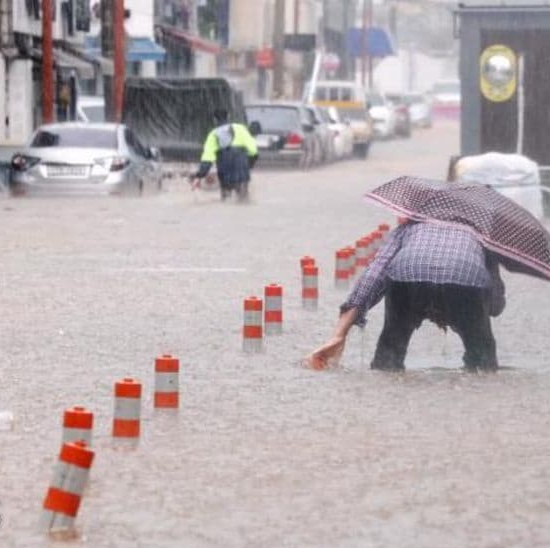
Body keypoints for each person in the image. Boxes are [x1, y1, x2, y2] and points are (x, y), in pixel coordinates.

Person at [306, 220, 506, 372]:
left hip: (407, 276)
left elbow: (375, 274)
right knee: (483, 361)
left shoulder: (408, 228)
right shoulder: (481, 235)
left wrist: (340, 333)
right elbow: (496, 304)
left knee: (388, 358)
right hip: (464, 278)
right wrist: (478, 314)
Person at [190, 109, 259, 201]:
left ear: (214, 120)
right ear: (228, 116)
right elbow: (253, 150)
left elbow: (207, 158)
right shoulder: (240, 128)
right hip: (241, 165)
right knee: (243, 197)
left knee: (226, 198)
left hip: (224, 167)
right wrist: (250, 164)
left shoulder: (213, 135)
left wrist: (200, 175)